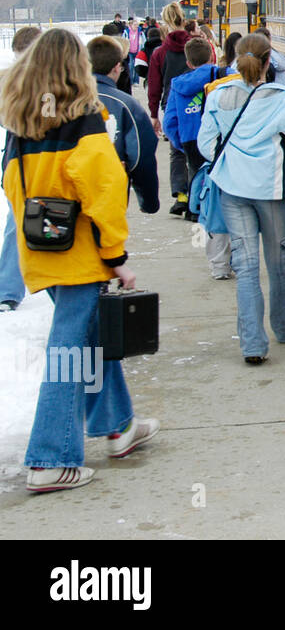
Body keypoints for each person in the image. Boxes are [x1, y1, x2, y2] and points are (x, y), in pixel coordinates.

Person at [0, 28, 157, 492]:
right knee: (69, 352)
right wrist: (116, 257)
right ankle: (50, 459)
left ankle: (117, 426)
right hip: (81, 255)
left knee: (89, 340)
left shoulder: (23, 121)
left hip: (41, 250)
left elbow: (11, 186)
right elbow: (104, 192)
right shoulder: (87, 119)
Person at [197, 33, 285, 364]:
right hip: (271, 190)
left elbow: (206, 146)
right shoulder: (284, 99)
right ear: (267, 63)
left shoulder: (218, 97)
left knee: (245, 267)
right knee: (278, 261)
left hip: (233, 189)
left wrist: (233, 156)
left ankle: (252, 345)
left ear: (234, 59)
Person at [163, 37, 232, 277]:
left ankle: (214, 256)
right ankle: (232, 254)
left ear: (189, 62)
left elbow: (169, 121)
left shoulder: (177, 85)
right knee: (230, 195)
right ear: (211, 56)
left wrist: (181, 144)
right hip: (222, 139)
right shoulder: (224, 74)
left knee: (206, 199)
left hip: (192, 142)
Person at [87, 36, 160, 216]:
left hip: (66, 202)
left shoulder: (67, 101)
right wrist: (148, 200)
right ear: (117, 67)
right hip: (111, 196)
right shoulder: (127, 105)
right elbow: (141, 157)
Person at [0, 26, 42, 312]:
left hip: (33, 165)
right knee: (17, 225)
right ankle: (7, 289)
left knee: (23, 226)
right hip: (22, 165)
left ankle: (9, 289)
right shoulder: (11, 83)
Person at [147, 2, 193, 216]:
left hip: (171, 104)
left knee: (177, 151)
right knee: (197, 149)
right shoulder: (195, 46)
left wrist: (154, 113)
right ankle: (197, 195)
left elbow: (154, 86)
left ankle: (181, 196)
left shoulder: (159, 52)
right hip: (197, 103)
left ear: (165, 22)